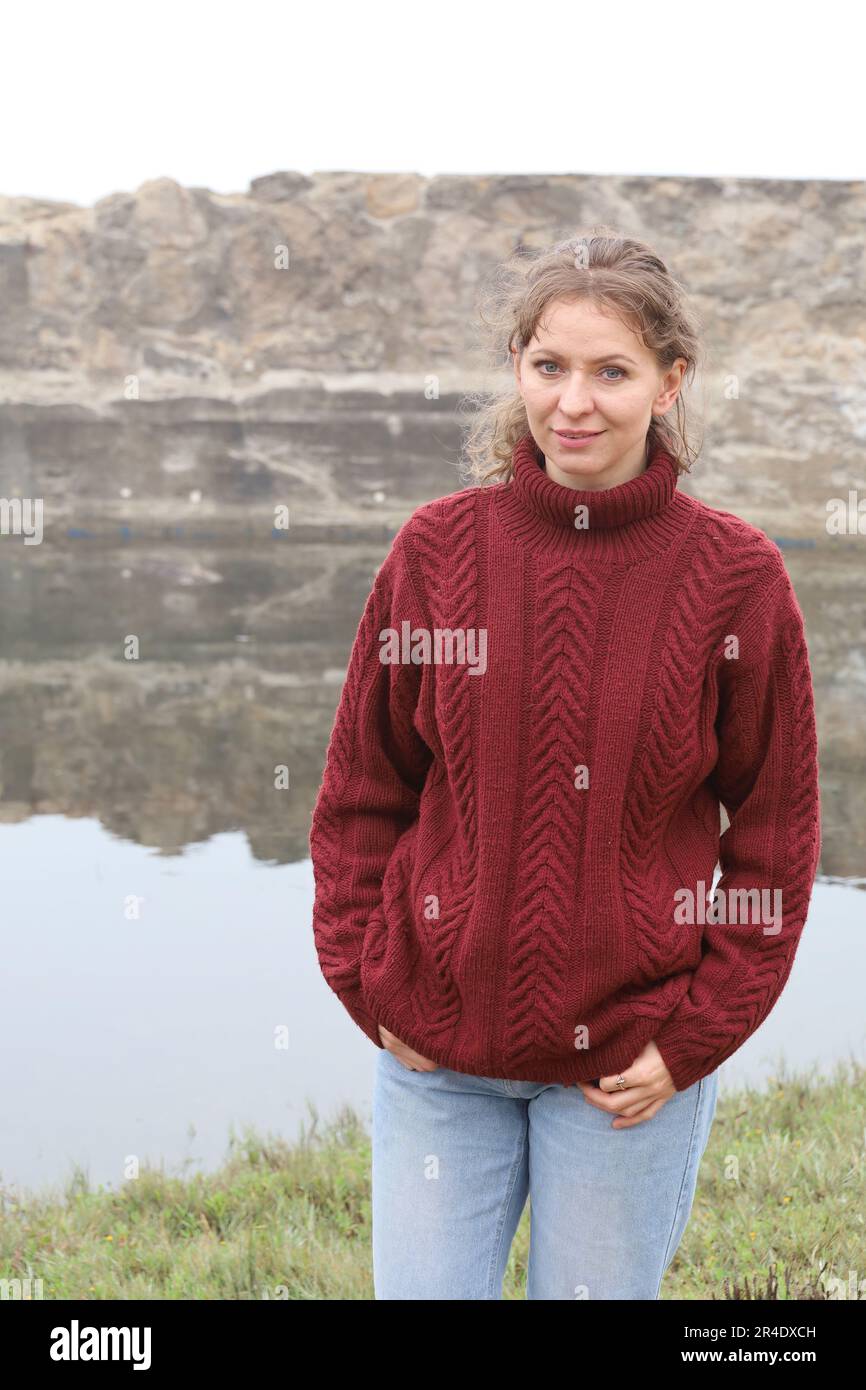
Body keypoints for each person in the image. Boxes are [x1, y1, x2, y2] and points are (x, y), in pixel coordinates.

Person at [308, 228, 822, 1300]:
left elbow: (772, 840)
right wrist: (363, 975)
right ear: (516, 369)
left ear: (669, 380)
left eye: (610, 371)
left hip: (624, 1073)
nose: (572, 402)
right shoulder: (435, 552)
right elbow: (364, 791)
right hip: (438, 1059)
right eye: (548, 366)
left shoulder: (734, 578)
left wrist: (693, 1037)